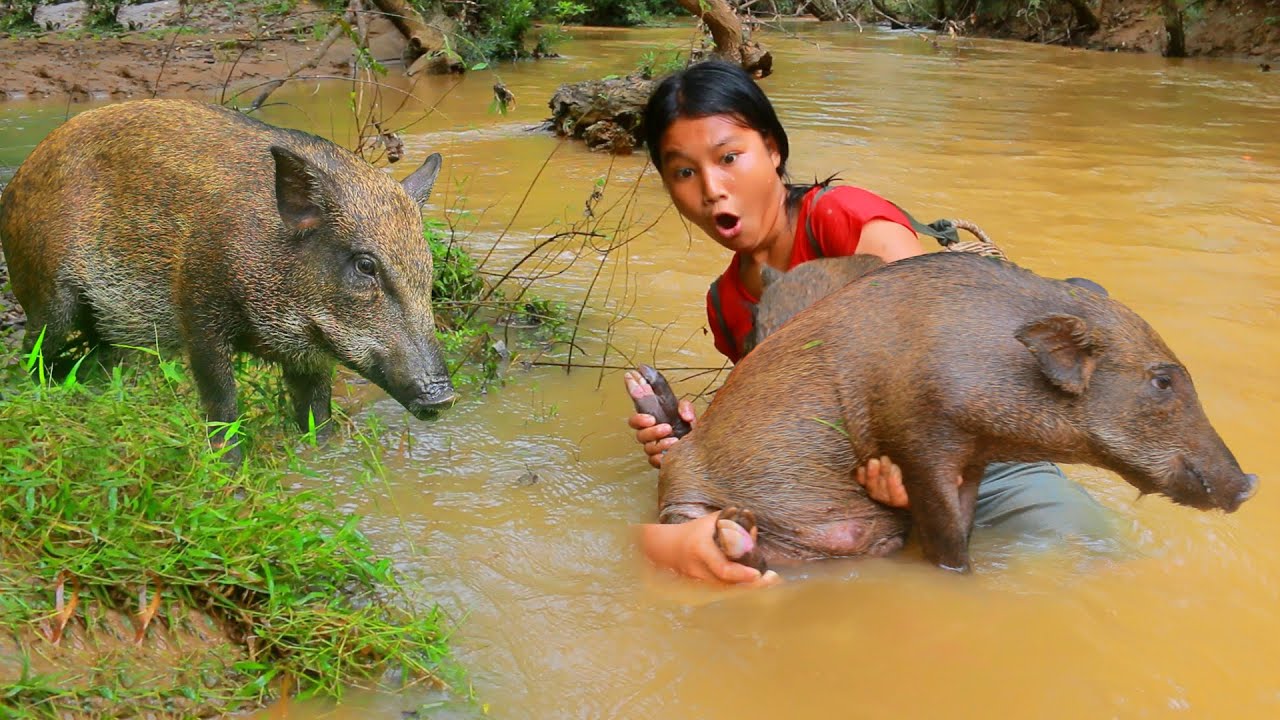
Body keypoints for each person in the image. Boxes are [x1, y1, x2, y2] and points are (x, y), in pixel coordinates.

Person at [625, 59, 1113, 588]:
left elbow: (945, 365)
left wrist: (922, 474)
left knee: (1088, 564)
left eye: (729, 158)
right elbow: (790, 412)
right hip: (849, 492)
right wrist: (701, 446)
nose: (712, 188)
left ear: (772, 150)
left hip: (978, 469)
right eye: (684, 172)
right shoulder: (725, 302)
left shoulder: (849, 219)